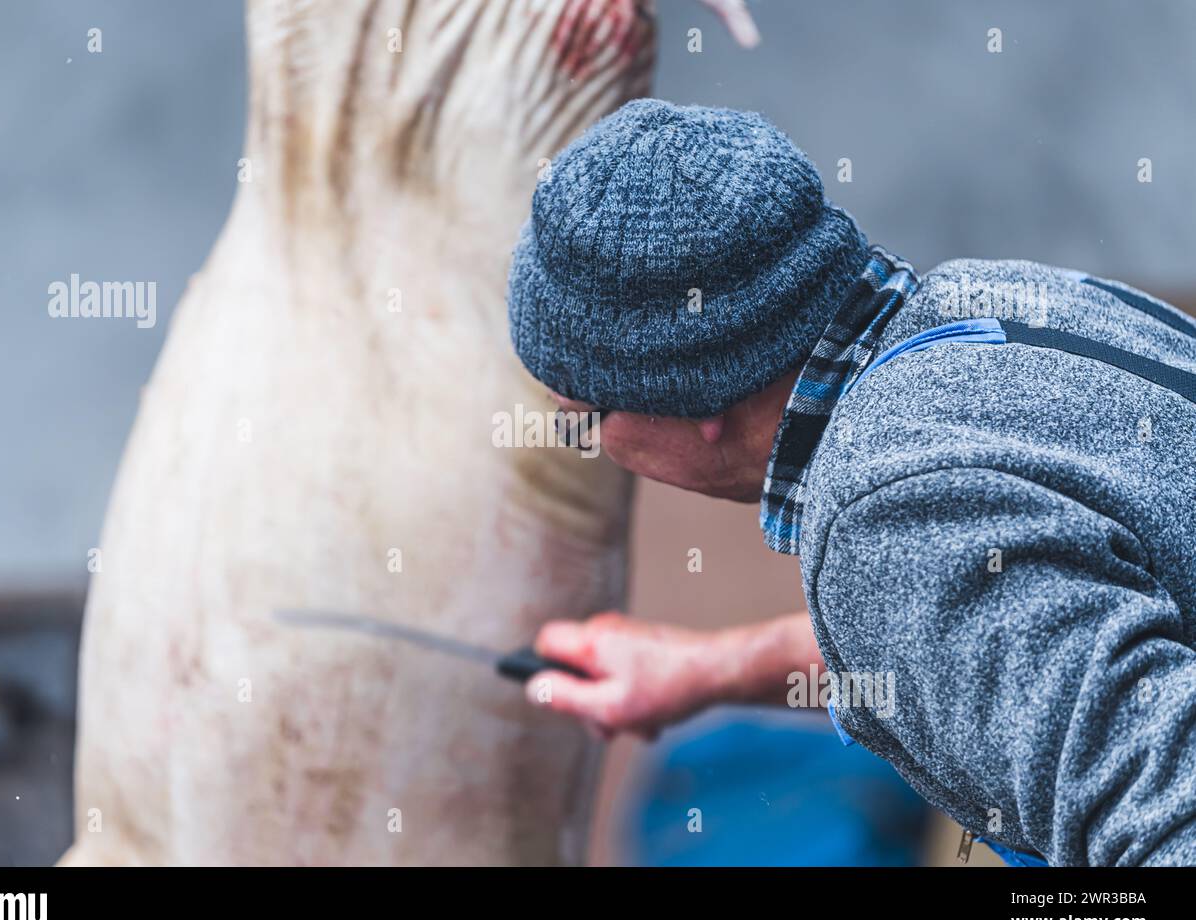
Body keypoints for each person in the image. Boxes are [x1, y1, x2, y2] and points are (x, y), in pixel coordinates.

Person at [505, 98, 1196, 867]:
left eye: (585, 418)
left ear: (697, 399)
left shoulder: (884, 517)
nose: (589, 442)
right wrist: (708, 670)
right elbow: (993, 623)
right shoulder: (994, 301)